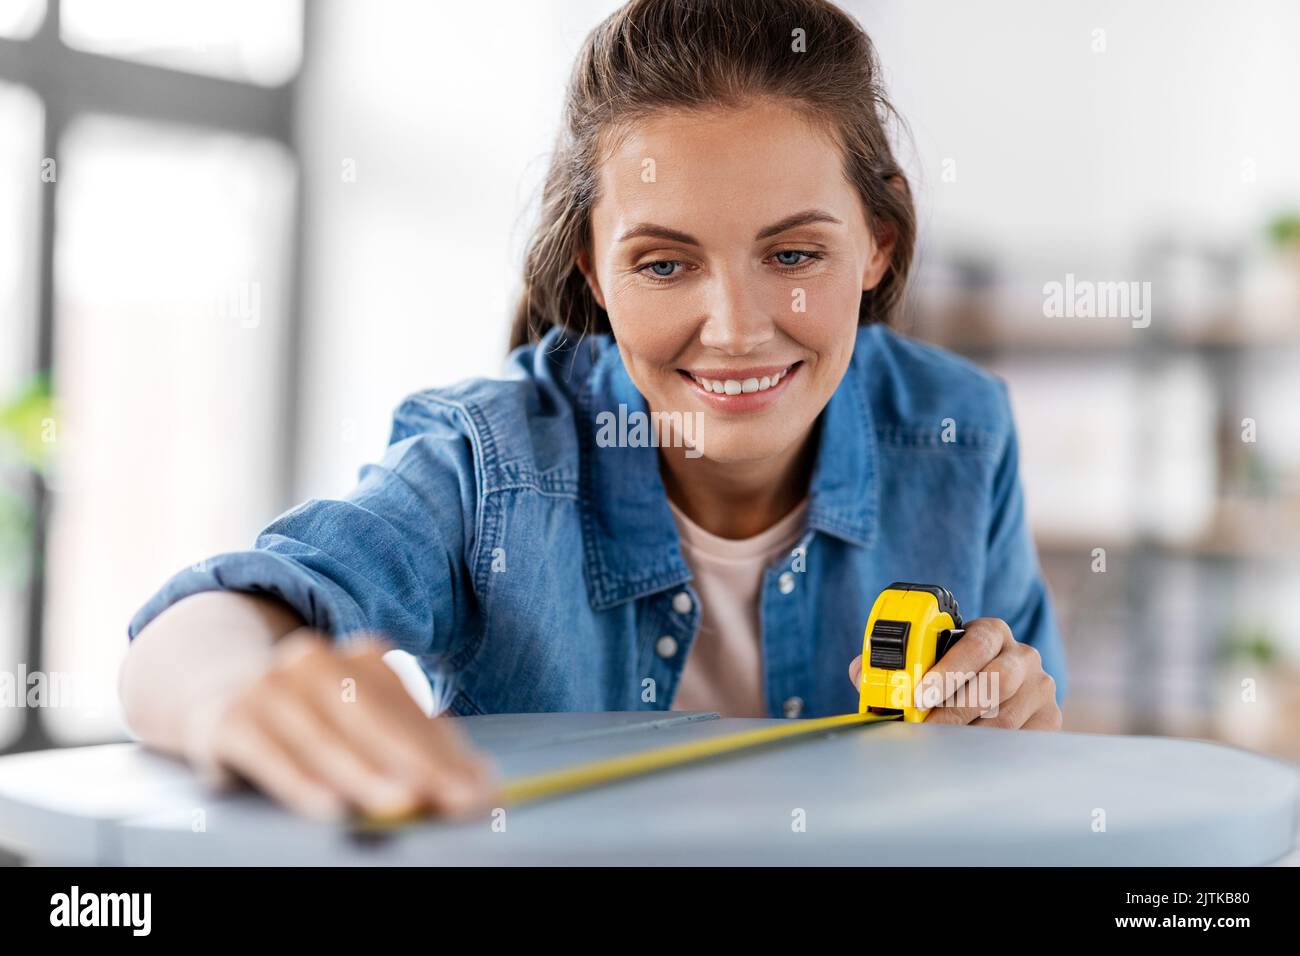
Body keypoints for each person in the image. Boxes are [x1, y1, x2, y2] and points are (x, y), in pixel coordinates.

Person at [120, 0, 1068, 823]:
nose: (735, 331)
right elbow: (199, 627)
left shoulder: (960, 433)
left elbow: (1030, 763)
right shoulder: (492, 465)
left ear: (878, 240)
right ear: (591, 267)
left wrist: (1015, 725)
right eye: (664, 264)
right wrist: (234, 692)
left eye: (792, 256)